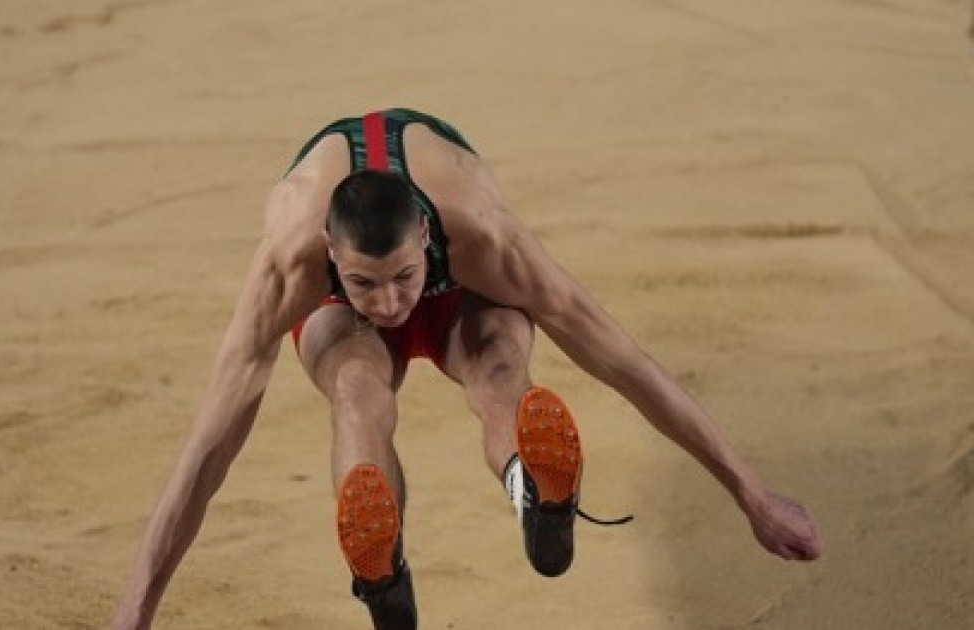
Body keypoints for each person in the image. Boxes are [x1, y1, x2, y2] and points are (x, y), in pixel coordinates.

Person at [109, 108, 823, 630]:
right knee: (357, 391)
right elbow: (208, 447)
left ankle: (531, 495)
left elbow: (624, 361)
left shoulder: (481, 230)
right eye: (365, 281)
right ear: (328, 248)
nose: (389, 304)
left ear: (425, 233)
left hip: (462, 289)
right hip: (369, 301)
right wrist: (135, 611)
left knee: (500, 368)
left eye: (400, 277)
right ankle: (380, 560)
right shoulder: (288, 259)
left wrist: (750, 492)